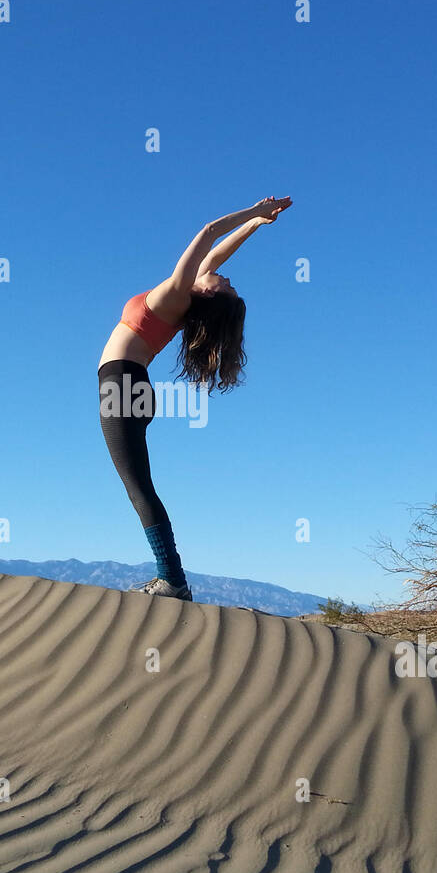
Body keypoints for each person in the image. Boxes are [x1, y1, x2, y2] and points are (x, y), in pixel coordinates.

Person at [97, 195, 293, 598]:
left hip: (121, 384)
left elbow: (207, 235)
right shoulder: (185, 298)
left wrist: (252, 211)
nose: (224, 277)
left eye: (225, 283)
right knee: (138, 485)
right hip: (131, 385)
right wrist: (256, 225)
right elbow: (215, 254)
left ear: (208, 295)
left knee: (139, 487)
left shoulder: (175, 294)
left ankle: (172, 579)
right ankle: (171, 576)